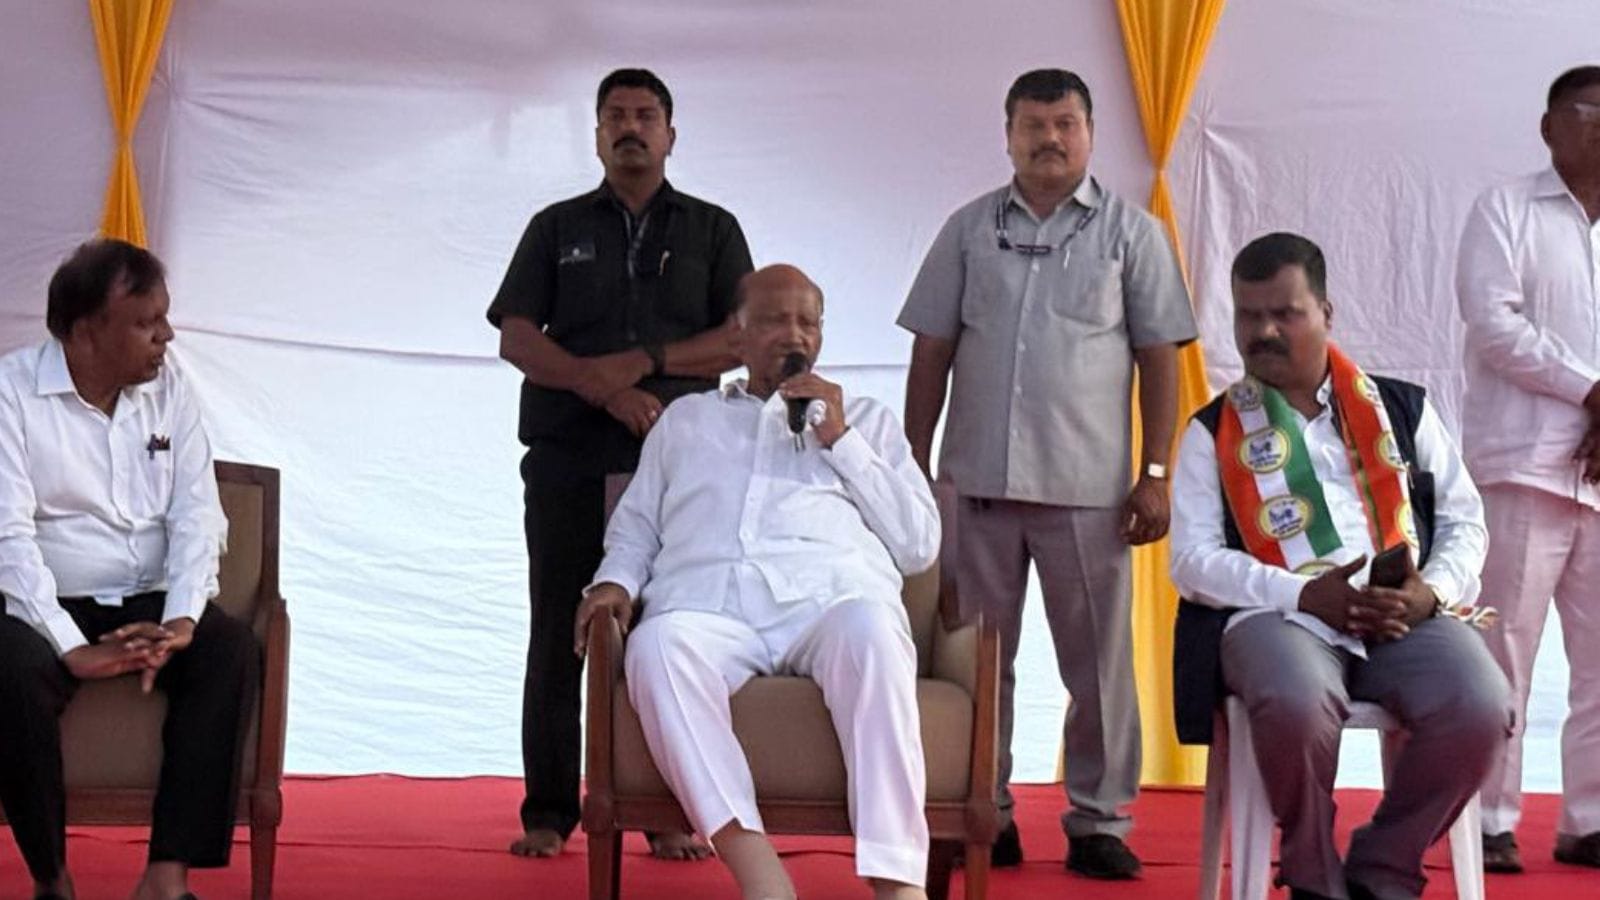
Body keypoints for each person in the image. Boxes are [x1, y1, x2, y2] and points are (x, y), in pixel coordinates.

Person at [895, 67, 1196, 878]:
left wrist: (1157, 470)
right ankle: (980, 811)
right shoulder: (967, 229)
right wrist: (915, 467)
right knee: (974, 665)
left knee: (1097, 668)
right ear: (1007, 135)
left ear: (1091, 134)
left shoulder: (1132, 234)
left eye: (1065, 124)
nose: (1049, 139)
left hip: (1089, 496)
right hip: (978, 491)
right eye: (1032, 125)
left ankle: (1100, 822)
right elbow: (932, 349)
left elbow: (1159, 356)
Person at [575, 265, 940, 900]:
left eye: (806, 321)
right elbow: (636, 530)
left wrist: (840, 439)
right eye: (773, 320)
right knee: (657, 648)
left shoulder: (869, 424)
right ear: (737, 339)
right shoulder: (685, 422)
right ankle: (761, 875)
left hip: (828, 603)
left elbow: (918, 545)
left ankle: (897, 884)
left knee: (874, 630)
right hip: (711, 607)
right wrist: (613, 585)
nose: (791, 333)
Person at [1170, 232, 1511, 900]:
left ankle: (1383, 867)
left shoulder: (1403, 409)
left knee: (1481, 702)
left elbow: (1467, 522)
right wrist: (1300, 596)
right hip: (1277, 618)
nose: (1263, 330)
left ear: (1327, 312)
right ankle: (1312, 876)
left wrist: (1431, 593)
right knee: (1295, 702)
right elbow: (1191, 562)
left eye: (1285, 313)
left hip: (1400, 614)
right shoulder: (1211, 431)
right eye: (1248, 315)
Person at [486, 67, 753, 860]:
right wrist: (599, 389)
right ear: (597, 135)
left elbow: (741, 337)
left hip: (679, 462)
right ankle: (547, 812)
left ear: (672, 134)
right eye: (615, 117)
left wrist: (644, 362)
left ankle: (664, 810)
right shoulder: (554, 226)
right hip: (569, 455)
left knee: (667, 631)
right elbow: (517, 337)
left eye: (645, 116)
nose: (630, 128)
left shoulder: (712, 228)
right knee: (557, 627)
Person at [0, 239, 259, 900]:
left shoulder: (170, 389)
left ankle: (166, 879)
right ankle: (51, 879)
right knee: (8, 668)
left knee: (227, 649)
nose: (167, 336)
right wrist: (71, 647)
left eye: (164, 317)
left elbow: (197, 515)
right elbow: (8, 538)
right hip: (43, 602)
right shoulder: (11, 393)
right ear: (87, 332)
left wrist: (179, 620)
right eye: (148, 322)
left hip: (145, 597)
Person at [1456, 64, 1600, 873]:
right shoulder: (1505, 209)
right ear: (1549, 127)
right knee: (1502, 650)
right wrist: (1591, 392)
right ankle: (1488, 819)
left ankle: (1590, 819)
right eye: (1589, 112)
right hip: (1524, 469)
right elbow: (1494, 325)